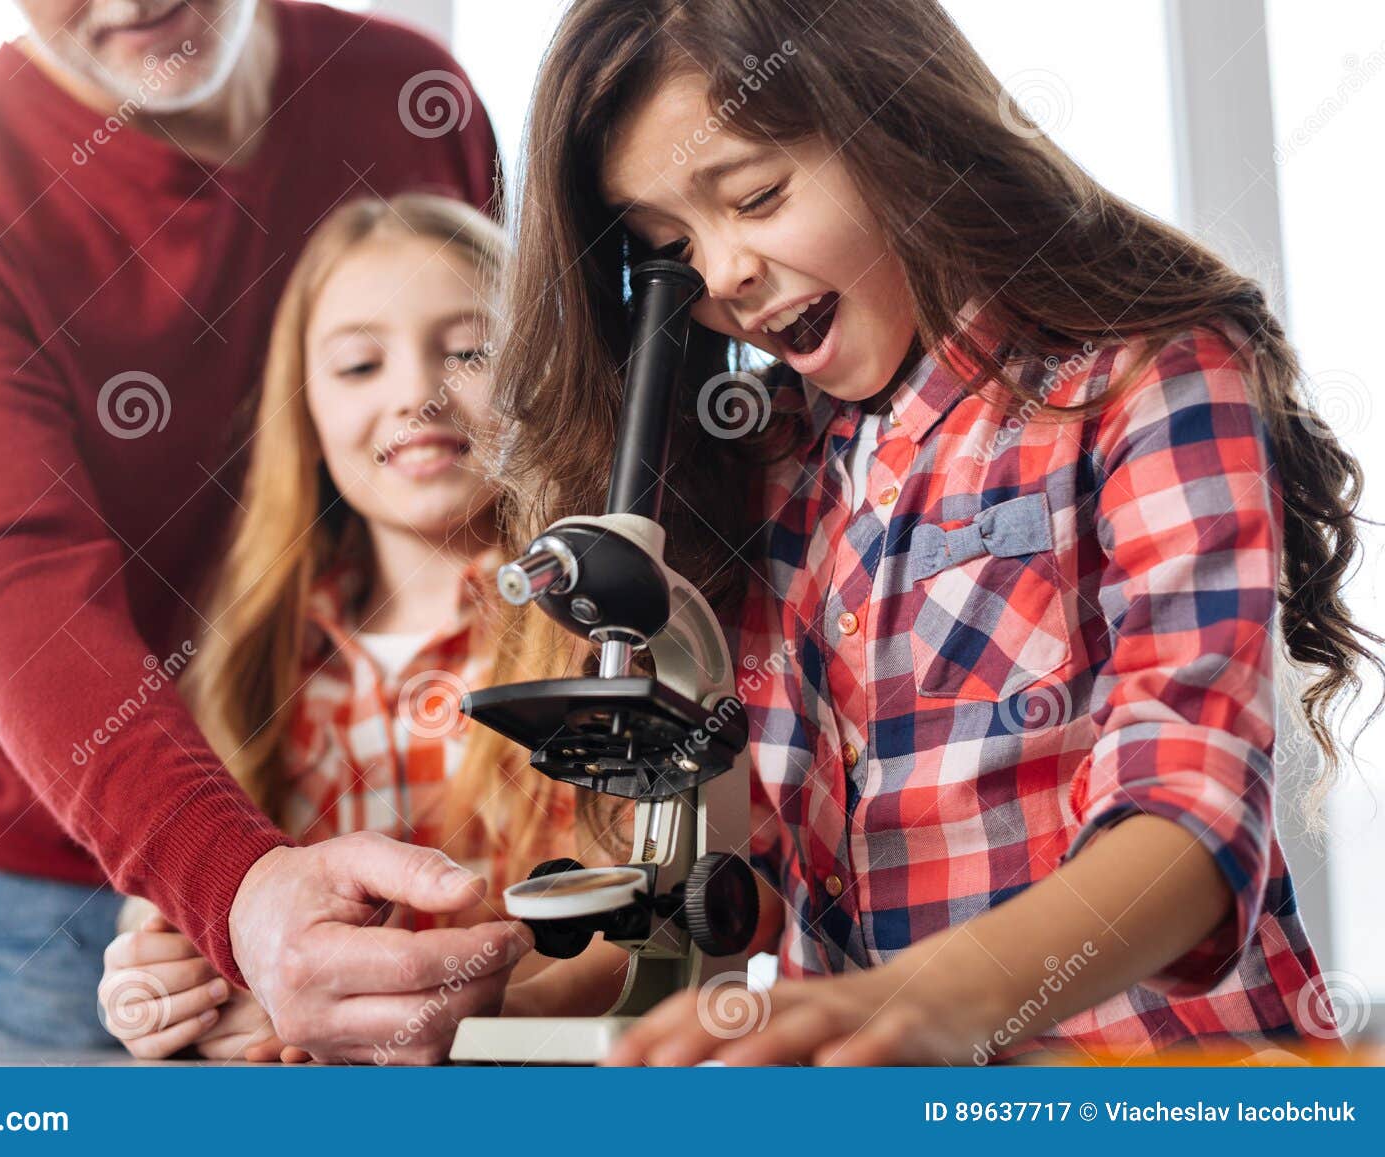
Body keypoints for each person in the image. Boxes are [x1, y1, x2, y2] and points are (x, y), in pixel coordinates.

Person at [488, 0, 1382, 1065]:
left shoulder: (1147, 376)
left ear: (892, 125)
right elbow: (751, 873)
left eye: (757, 196)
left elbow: (1188, 822)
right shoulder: (768, 462)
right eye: (670, 246)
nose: (722, 274)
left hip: (1161, 1078)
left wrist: (933, 1000)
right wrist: (521, 991)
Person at [0, 0, 520, 1053]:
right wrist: (238, 890)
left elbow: (522, 417)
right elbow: (19, 595)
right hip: (55, 874)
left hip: (365, 807)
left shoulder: (410, 102)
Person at [96, 194, 623, 1063]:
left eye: (468, 351)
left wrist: (469, 1027)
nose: (418, 392)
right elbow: (180, 915)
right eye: (357, 365)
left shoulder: (596, 632)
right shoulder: (255, 659)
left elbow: (640, 940)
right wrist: (162, 982)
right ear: (303, 414)